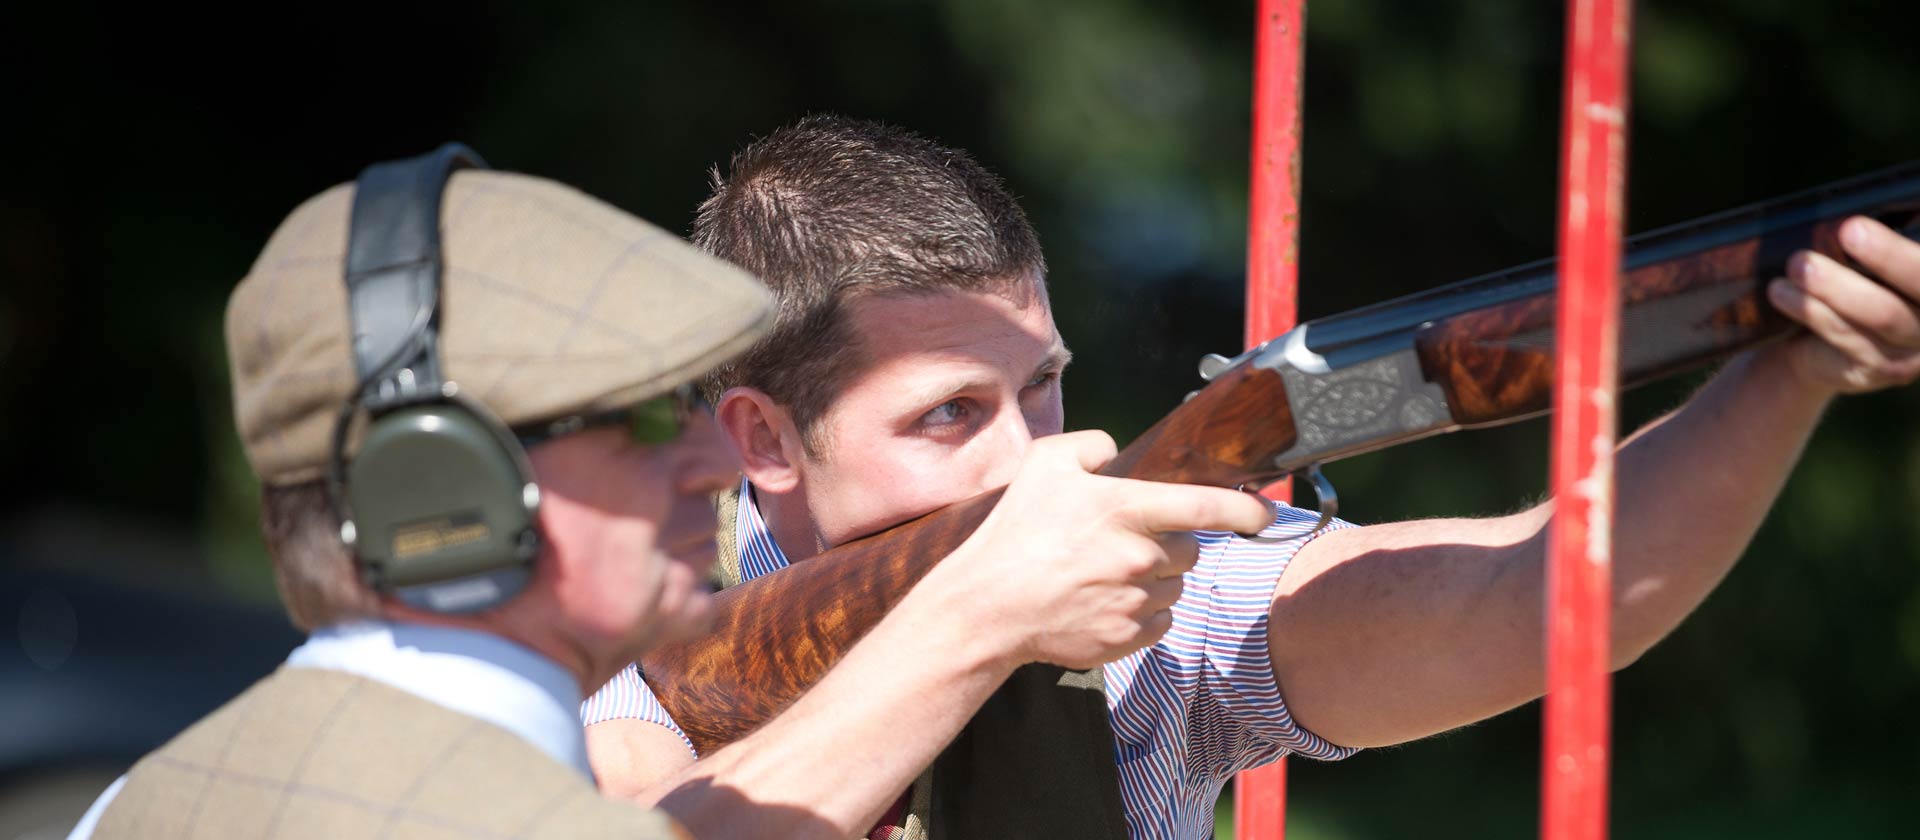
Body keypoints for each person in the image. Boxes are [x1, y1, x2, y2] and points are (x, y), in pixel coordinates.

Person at [582, 115, 1920, 839]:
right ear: (763, 440)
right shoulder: (634, 654)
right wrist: (980, 611)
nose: (1043, 452)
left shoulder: (1159, 602)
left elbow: (1549, 600)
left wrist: (1785, 367)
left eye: (1044, 380)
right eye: (950, 415)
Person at [66, 147, 1272, 840]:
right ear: (436, 485)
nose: (708, 465)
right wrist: (982, 614)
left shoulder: (142, 802)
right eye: (637, 424)